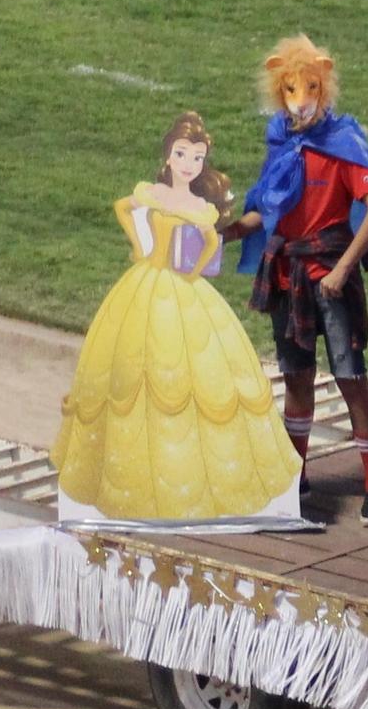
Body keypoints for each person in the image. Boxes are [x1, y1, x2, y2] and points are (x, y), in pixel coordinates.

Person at [53, 112, 301, 519]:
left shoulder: (198, 206)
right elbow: (123, 207)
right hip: (147, 283)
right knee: (139, 369)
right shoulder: (154, 193)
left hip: (180, 289)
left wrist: (198, 265)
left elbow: (210, 239)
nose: (188, 163)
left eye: (197, 157)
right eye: (182, 154)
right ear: (168, 157)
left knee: (190, 375)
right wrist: (139, 243)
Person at [228, 36, 368, 528]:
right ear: (279, 89)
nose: (301, 98)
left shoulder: (344, 144)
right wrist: (223, 231)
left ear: (324, 85)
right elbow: (263, 211)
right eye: (291, 89)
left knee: (351, 378)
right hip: (289, 275)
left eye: (310, 87)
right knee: (296, 379)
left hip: (328, 275)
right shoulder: (282, 145)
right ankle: (296, 476)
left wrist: (343, 268)